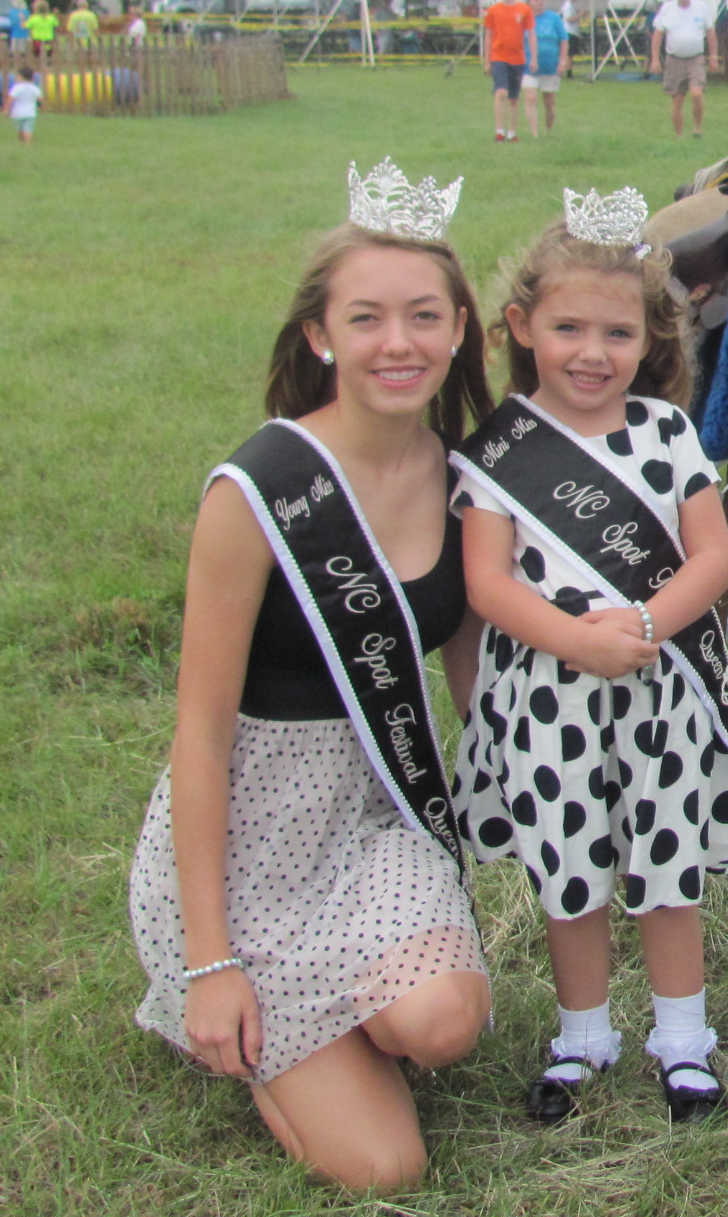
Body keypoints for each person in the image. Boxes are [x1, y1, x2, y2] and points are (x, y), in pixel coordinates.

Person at [128, 159, 494, 1191]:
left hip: (371, 819)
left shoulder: (468, 486)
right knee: (386, 1168)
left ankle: (347, 1015)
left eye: (424, 316)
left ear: (459, 329)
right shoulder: (258, 493)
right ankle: (236, 1019)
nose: (398, 343)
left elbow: (475, 698)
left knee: (443, 1023)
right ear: (320, 337)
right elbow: (198, 734)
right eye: (367, 318)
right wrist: (213, 962)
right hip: (248, 842)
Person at [449, 188, 728, 1126]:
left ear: (651, 340)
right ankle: (582, 1035)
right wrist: (580, 639)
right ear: (522, 326)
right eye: (569, 328)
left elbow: (715, 556)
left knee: (668, 865)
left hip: (657, 687)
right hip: (547, 694)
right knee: (569, 868)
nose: (593, 353)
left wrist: (650, 624)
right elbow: (489, 586)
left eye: (617, 334)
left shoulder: (668, 435)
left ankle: (682, 1040)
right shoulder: (499, 451)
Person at [647, 0, 717, 140]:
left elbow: (710, 33)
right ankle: (679, 136)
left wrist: (714, 57)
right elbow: (658, 35)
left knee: (696, 94)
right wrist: (655, 59)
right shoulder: (667, 9)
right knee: (677, 99)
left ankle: (697, 129)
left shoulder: (701, 8)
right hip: (674, 59)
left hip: (695, 58)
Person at [481, 0, 535, 143]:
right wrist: (487, 60)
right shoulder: (494, 10)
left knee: (513, 97)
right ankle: (499, 130)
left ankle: (512, 131)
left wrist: (534, 58)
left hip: (518, 58)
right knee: (501, 91)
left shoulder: (524, 9)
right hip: (499, 56)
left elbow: (531, 34)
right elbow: (488, 35)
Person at [529, 0, 566, 134]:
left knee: (549, 101)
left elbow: (564, 40)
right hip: (529, 65)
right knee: (530, 98)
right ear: (529, 2)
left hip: (550, 64)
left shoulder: (553, 18)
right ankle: (534, 133)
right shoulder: (526, 18)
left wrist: (562, 62)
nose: (539, 2)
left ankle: (548, 130)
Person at [6, 66, 42, 144]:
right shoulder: (35, 88)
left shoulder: (16, 87)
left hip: (17, 112)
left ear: (21, 77)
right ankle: (27, 142)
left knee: (20, 129)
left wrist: (6, 109)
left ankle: (21, 141)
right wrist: (41, 107)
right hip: (30, 113)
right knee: (28, 129)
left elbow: (10, 98)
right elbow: (40, 99)